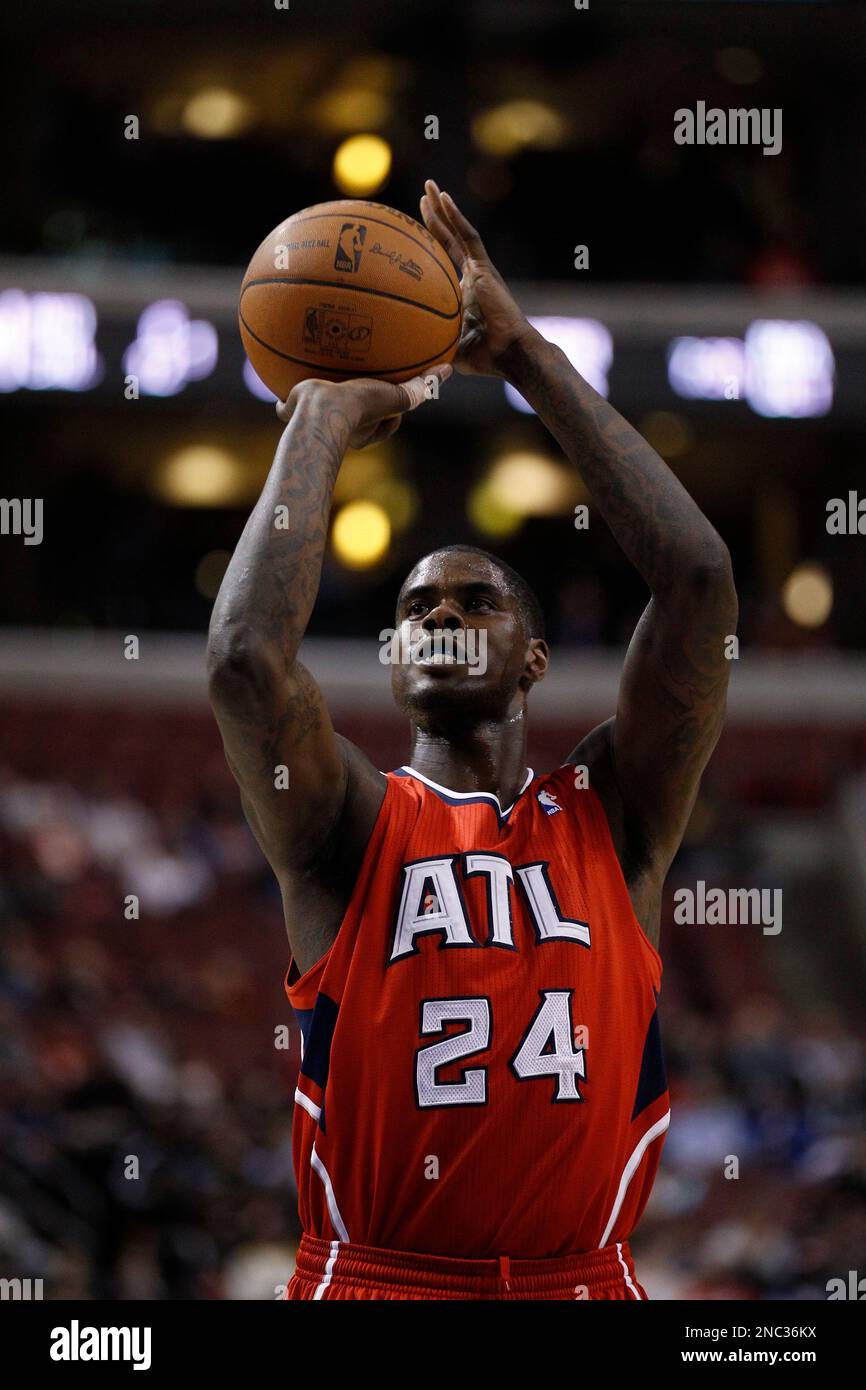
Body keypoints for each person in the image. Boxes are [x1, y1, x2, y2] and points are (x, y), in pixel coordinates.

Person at [207, 180, 738, 1300]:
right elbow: (246, 661)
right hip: (376, 1280)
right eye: (412, 608)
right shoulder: (347, 823)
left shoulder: (614, 812)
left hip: (580, 1282)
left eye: (473, 600)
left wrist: (522, 353)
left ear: (534, 659)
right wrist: (322, 417)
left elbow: (695, 583)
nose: (438, 616)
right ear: (391, 664)